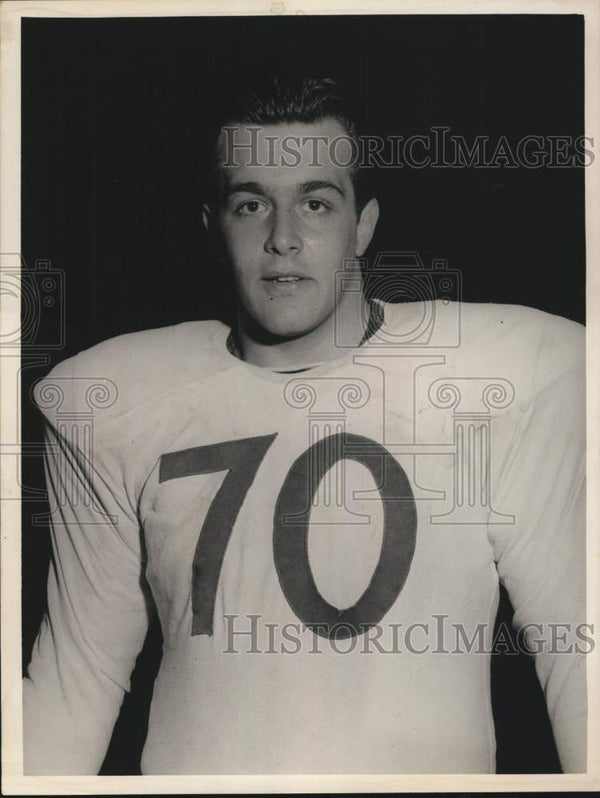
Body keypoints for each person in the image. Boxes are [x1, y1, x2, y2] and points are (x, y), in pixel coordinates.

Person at [23, 76, 586, 775]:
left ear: (366, 223)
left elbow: (578, 651)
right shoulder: (112, 403)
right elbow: (75, 684)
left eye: (316, 203)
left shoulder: (505, 375)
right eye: (251, 203)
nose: (282, 239)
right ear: (213, 223)